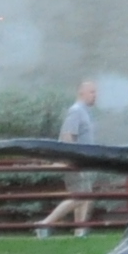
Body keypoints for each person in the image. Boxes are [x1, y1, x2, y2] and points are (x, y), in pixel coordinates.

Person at [39, 80, 104, 234]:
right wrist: (73, 159)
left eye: (95, 92)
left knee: (84, 194)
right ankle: (44, 224)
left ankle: (79, 231)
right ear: (81, 93)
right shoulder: (76, 111)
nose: (95, 96)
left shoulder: (84, 112)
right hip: (75, 161)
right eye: (92, 92)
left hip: (84, 161)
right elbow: (68, 135)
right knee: (79, 196)